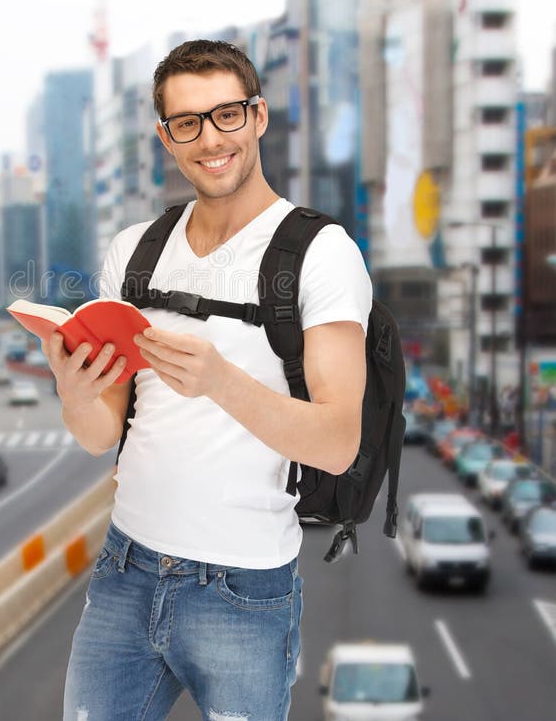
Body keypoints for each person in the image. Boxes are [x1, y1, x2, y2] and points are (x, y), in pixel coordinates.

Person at [45, 40, 372, 721]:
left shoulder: (321, 253)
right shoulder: (132, 252)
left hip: (244, 590)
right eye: (187, 123)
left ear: (258, 116)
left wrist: (221, 381)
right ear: (167, 137)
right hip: (124, 572)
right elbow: (101, 432)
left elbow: (340, 442)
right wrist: (76, 392)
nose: (210, 139)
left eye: (226, 115)